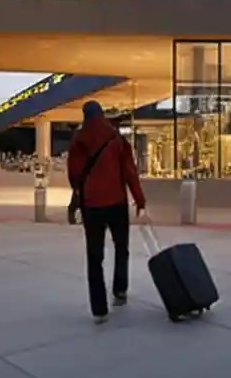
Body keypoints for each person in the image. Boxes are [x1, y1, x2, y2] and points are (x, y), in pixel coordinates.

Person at [66, 102, 146, 323]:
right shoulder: (116, 139)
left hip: (91, 205)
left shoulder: (78, 140)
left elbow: (74, 175)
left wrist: (80, 196)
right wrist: (139, 199)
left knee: (94, 256)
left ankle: (99, 310)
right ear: (102, 115)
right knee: (122, 247)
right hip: (116, 202)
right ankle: (120, 291)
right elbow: (129, 172)